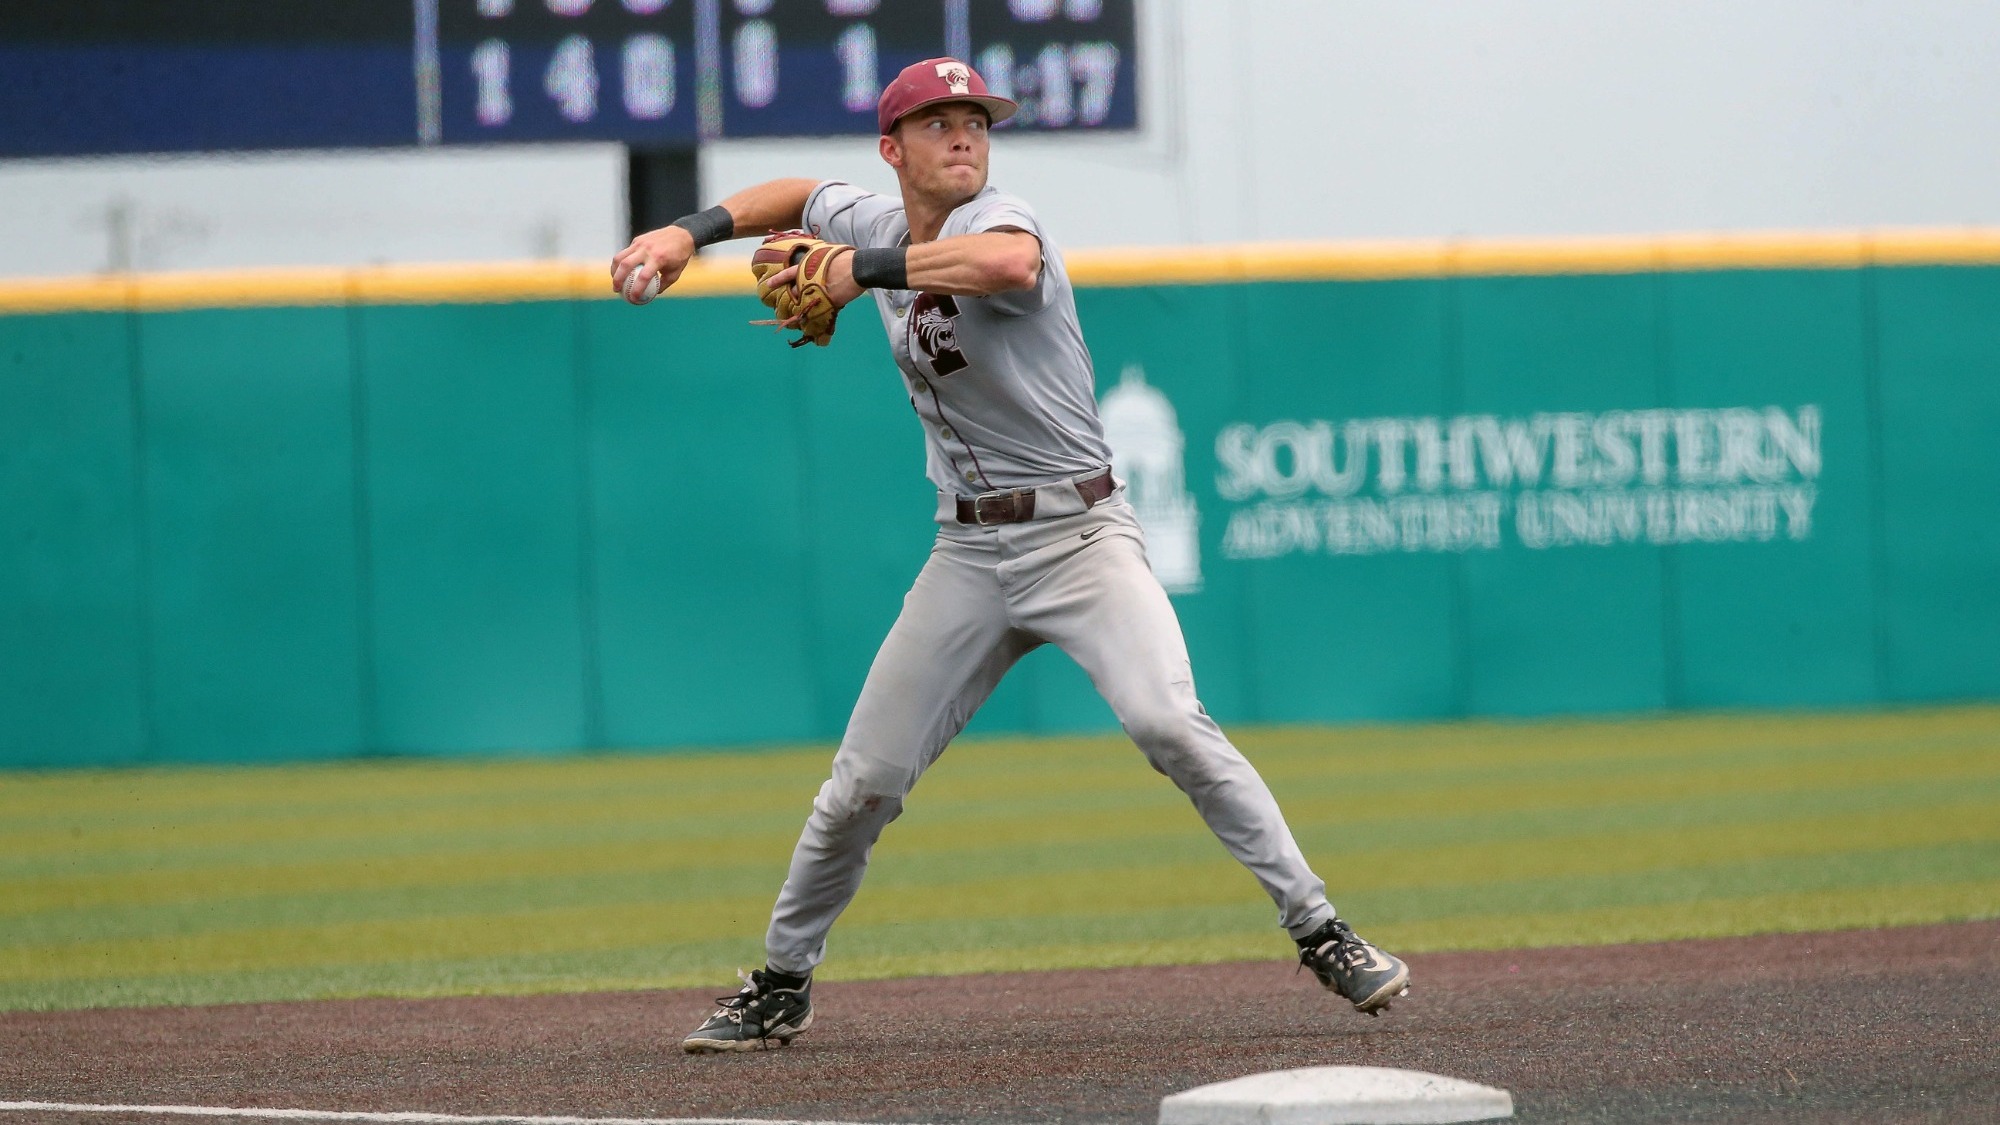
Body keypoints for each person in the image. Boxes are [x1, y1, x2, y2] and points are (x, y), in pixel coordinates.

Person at [610, 58, 1409, 1055]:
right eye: (938, 122)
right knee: (861, 782)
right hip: (968, 552)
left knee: (1168, 719)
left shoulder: (1001, 217)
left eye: (977, 122)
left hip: (1081, 536)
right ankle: (779, 983)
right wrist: (687, 233)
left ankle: (1322, 930)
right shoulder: (871, 216)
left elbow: (1007, 268)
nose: (964, 136)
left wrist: (856, 273)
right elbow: (794, 194)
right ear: (891, 148)